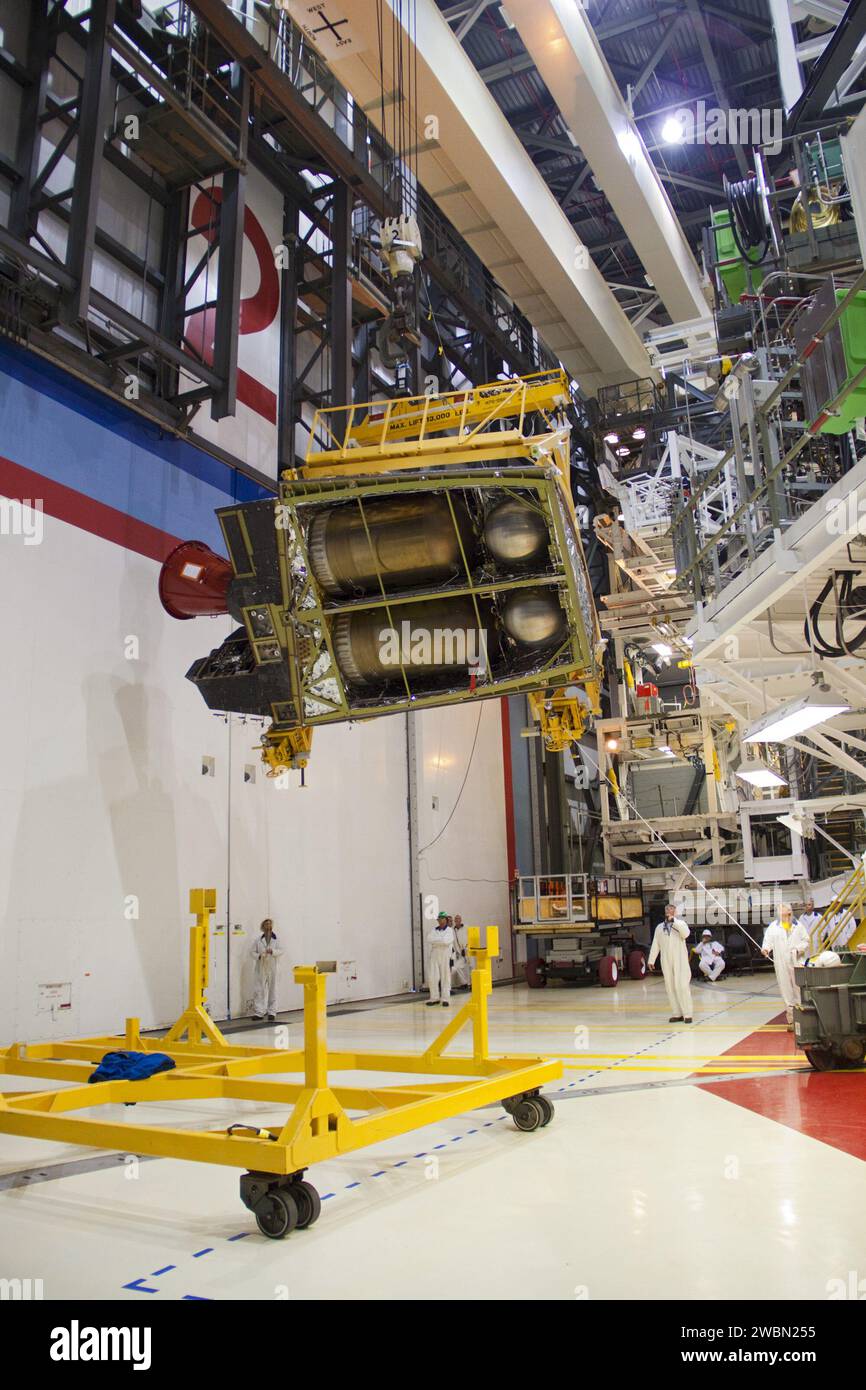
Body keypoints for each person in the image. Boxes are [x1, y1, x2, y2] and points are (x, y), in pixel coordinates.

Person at [762, 901, 809, 1029]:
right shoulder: (773, 927)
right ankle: (792, 1020)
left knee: (798, 988)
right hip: (781, 962)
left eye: (785, 913)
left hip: (796, 960)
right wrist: (766, 949)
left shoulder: (798, 926)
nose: (784, 916)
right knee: (786, 990)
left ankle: (803, 1018)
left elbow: (806, 940)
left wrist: (799, 949)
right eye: (781, 914)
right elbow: (768, 941)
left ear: (790, 913)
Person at [648, 904, 693, 1023]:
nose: (669, 911)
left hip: (680, 959)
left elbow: (686, 934)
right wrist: (651, 960)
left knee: (682, 986)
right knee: (670, 987)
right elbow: (655, 944)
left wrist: (674, 922)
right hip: (666, 960)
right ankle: (677, 1013)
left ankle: (687, 1014)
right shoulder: (659, 927)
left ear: (675, 912)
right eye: (667, 909)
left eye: (671, 909)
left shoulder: (681, 924)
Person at [252, 918, 283, 1021]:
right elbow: (252, 952)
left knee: (273, 989)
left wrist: (272, 951)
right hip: (261, 967)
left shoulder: (277, 939)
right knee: (259, 989)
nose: (268, 926)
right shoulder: (258, 940)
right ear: (263, 927)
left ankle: (272, 1012)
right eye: (266, 924)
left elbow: (282, 950)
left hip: (273, 966)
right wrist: (259, 956)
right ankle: (259, 1012)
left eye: (270, 924)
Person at [426, 912, 454, 1007]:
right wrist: (440, 940)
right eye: (439, 919)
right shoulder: (433, 930)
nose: (441, 921)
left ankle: (445, 999)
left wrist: (436, 941)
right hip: (434, 954)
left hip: (445, 955)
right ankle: (434, 998)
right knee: (433, 976)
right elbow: (429, 939)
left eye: (443, 919)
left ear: (446, 920)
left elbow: (446, 941)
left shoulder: (450, 930)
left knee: (445, 977)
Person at [451, 914, 471, 991]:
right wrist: (457, 951)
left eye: (458, 918)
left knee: (471, 967)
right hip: (459, 952)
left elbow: (469, 938)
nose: (457, 920)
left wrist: (466, 948)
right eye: (456, 919)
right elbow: (454, 942)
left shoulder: (466, 928)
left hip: (468, 951)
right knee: (457, 967)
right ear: (454, 921)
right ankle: (464, 983)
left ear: (461, 920)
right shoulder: (453, 930)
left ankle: (472, 984)